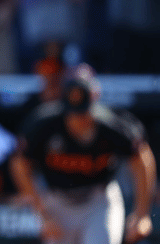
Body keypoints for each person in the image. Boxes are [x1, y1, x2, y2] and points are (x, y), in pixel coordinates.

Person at [10, 64, 157, 244]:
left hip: (99, 201)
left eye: (84, 112)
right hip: (57, 202)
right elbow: (19, 165)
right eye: (74, 113)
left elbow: (142, 157)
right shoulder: (43, 124)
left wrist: (142, 214)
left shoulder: (112, 124)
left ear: (95, 97)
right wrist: (42, 213)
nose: (79, 119)